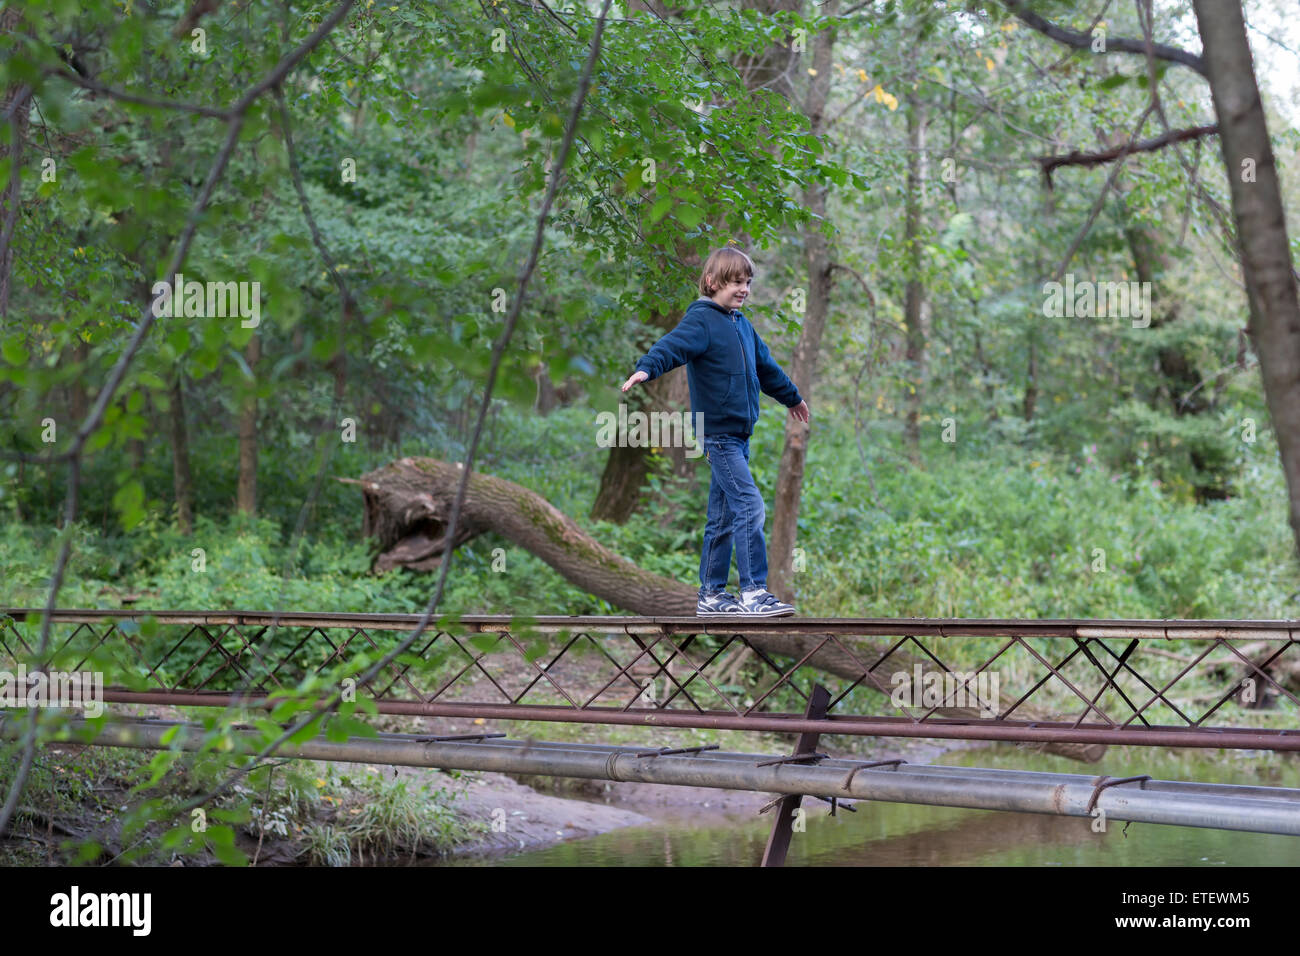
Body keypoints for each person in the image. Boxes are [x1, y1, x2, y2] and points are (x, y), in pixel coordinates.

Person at [621, 246, 810, 617]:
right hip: (717, 436)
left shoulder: (743, 326)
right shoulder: (702, 321)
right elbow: (671, 347)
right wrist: (646, 368)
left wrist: (792, 397)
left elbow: (767, 368)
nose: (744, 289)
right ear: (712, 281)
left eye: (748, 282)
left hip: (739, 438)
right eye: (737, 282)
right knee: (750, 504)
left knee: (722, 517)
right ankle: (754, 591)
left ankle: (711, 595)